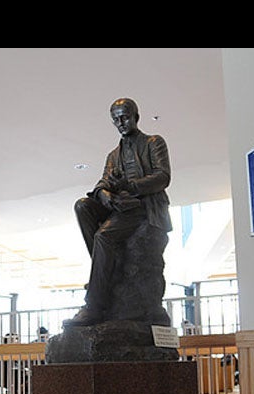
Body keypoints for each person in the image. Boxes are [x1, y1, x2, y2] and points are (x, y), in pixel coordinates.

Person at [66, 98, 173, 326]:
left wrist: (129, 186)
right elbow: (103, 181)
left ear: (136, 116)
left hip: (143, 207)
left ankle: (94, 306)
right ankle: (105, 268)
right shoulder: (113, 155)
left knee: (104, 235)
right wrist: (103, 193)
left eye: (124, 117)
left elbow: (163, 176)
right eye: (115, 119)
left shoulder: (154, 142)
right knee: (82, 205)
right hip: (119, 206)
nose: (120, 122)